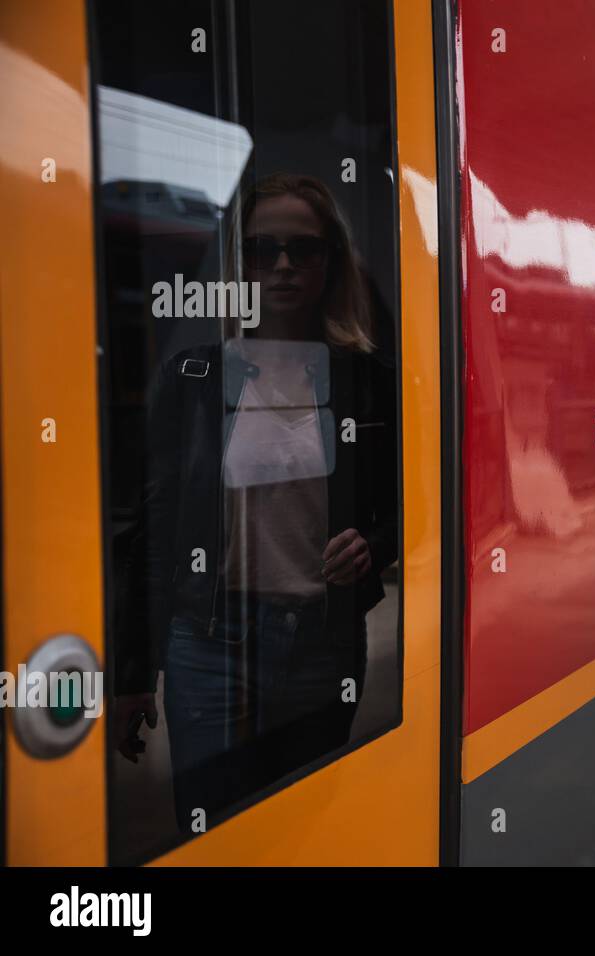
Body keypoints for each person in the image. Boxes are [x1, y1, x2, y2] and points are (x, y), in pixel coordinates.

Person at [112, 172, 399, 832]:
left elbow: (411, 505)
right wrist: (132, 673)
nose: (284, 265)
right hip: (208, 645)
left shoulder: (366, 382)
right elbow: (149, 530)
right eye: (264, 249)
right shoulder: (194, 379)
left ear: (331, 261)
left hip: (321, 647)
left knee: (300, 834)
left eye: (304, 249)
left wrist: (373, 546)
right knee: (211, 832)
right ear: (241, 262)